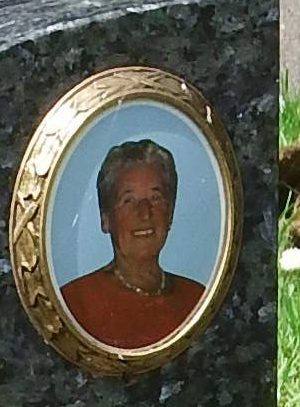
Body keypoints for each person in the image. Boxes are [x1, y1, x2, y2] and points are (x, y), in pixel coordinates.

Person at [61, 134, 204, 352]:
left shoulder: (197, 300)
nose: (145, 213)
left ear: (171, 213)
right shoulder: (74, 303)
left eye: (155, 198)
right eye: (128, 201)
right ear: (106, 218)